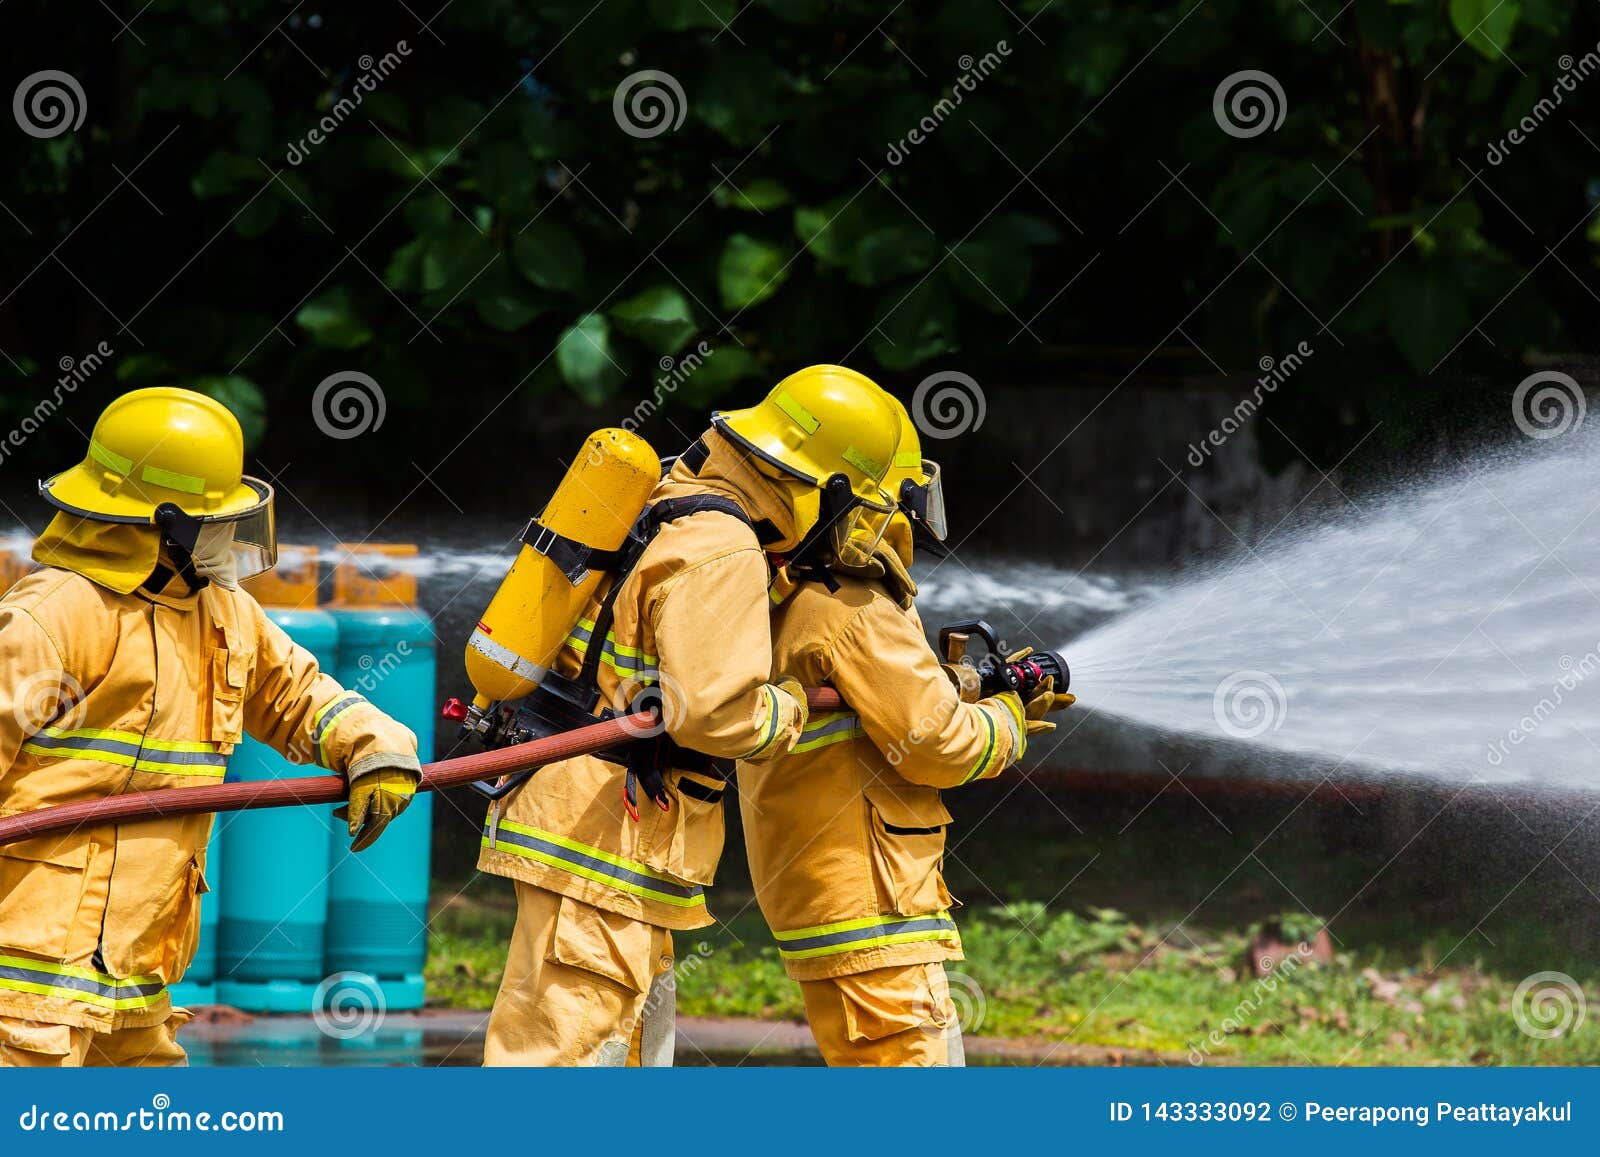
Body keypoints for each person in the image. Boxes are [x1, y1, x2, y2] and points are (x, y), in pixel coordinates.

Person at [479, 365, 904, 1066]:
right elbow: (715, 712)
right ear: (824, 486)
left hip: (597, 823)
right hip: (605, 837)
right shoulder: (724, 547)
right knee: (567, 1056)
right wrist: (790, 702)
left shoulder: (681, 499)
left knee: (622, 1048)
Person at [0, 387, 421, 1068]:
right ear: (165, 524)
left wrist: (377, 745)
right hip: (24, 989)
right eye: (213, 520)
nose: (228, 537)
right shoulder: (53, 614)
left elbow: (301, 694)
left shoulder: (222, 611)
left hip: (136, 981)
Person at [739, 404, 1073, 1066]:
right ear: (856, 499)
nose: (910, 516)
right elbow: (938, 744)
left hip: (831, 895)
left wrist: (964, 686)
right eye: (901, 496)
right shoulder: (853, 607)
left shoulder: (787, 594)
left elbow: (885, 708)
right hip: (872, 905)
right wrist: (1007, 717)